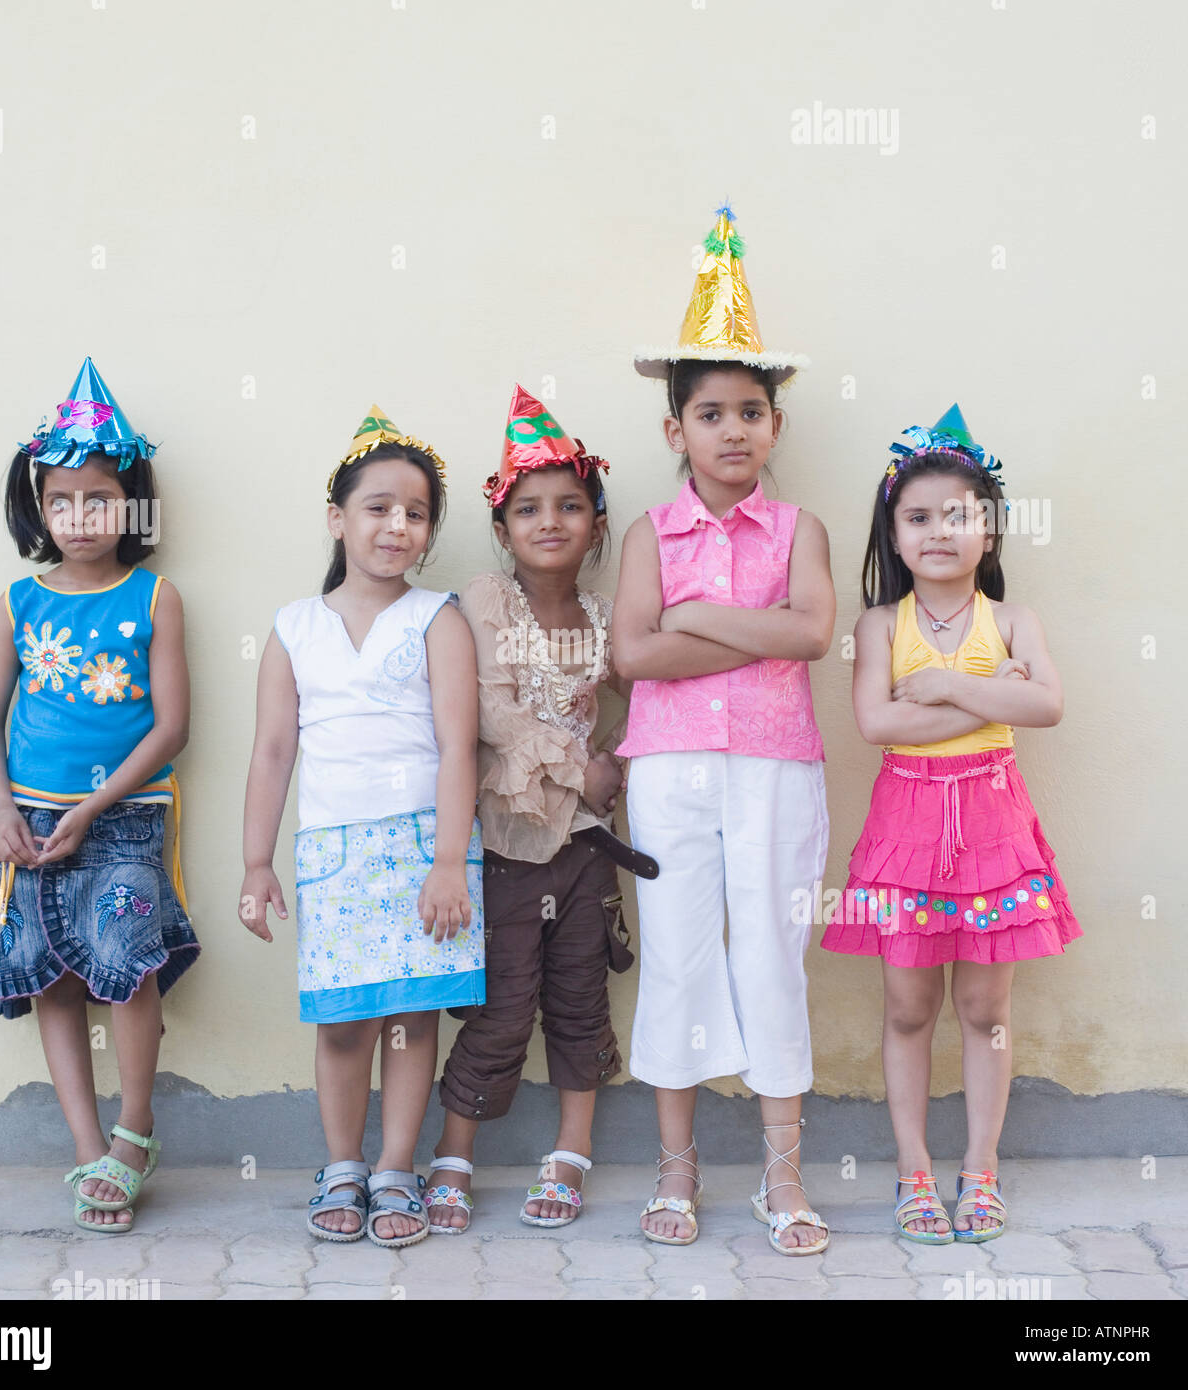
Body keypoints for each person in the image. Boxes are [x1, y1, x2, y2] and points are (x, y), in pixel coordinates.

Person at [613, 206, 835, 1253]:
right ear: (675, 430)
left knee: (773, 956)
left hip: (775, 768)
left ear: (776, 426)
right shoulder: (647, 532)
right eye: (711, 413)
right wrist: (751, 631)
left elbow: (814, 633)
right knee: (679, 952)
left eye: (753, 410)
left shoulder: (802, 530)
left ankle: (781, 1178)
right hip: (668, 768)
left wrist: (694, 618)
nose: (734, 428)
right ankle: (676, 1170)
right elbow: (633, 655)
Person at [821, 404, 1080, 1244]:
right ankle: (913, 1174)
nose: (940, 531)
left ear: (991, 533)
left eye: (960, 516)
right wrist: (983, 693)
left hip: (994, 828)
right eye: (919, 517)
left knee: (983, 1006)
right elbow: (879, 726)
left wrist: (943, 687)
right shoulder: (876, 626)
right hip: (908, 829)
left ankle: (981, 1171)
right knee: (906, 1006)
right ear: (894, 535)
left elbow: (1044, 704)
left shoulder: (1013, 622)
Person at [0, 357, 198, 1233]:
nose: (80, 517)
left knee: (127, 972)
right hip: (27, 822)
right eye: (61, 501)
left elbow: (170, 727)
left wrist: (94, 806)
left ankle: (136, 1130)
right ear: (39, 508)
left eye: (99, 499)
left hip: (125, 817)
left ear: (131, 504)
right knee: (53, 979)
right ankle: (88, 1149)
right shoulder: (17, 604)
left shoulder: (155, 597)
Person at [239, 406, 483, 1249]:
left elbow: (459, 747)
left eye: (416, 513)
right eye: (378, 507)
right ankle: (342, 1163)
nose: (397, 525)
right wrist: (255, 862)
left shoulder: (437, 618)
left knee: (414, 1017)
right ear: (337, 517)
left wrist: (449, 860)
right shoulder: (293, 629)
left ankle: (395, 1168)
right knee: (342, 1021)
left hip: (421, 850)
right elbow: (273, 752)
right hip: (332, 856)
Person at [427, 386, 643, 1233]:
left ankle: (571, 1155)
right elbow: (495, 714)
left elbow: (631, 717)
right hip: (511, 848)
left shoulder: (604, 617)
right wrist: (579, 770)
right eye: (528, 509)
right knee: (503, 1002)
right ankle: (453, 1156)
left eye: (569, 506)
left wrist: (614, 768)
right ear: (502, 527)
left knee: (580, 998)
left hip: (588, 848)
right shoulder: (487, 601)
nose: (549, 521)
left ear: (595, 520)